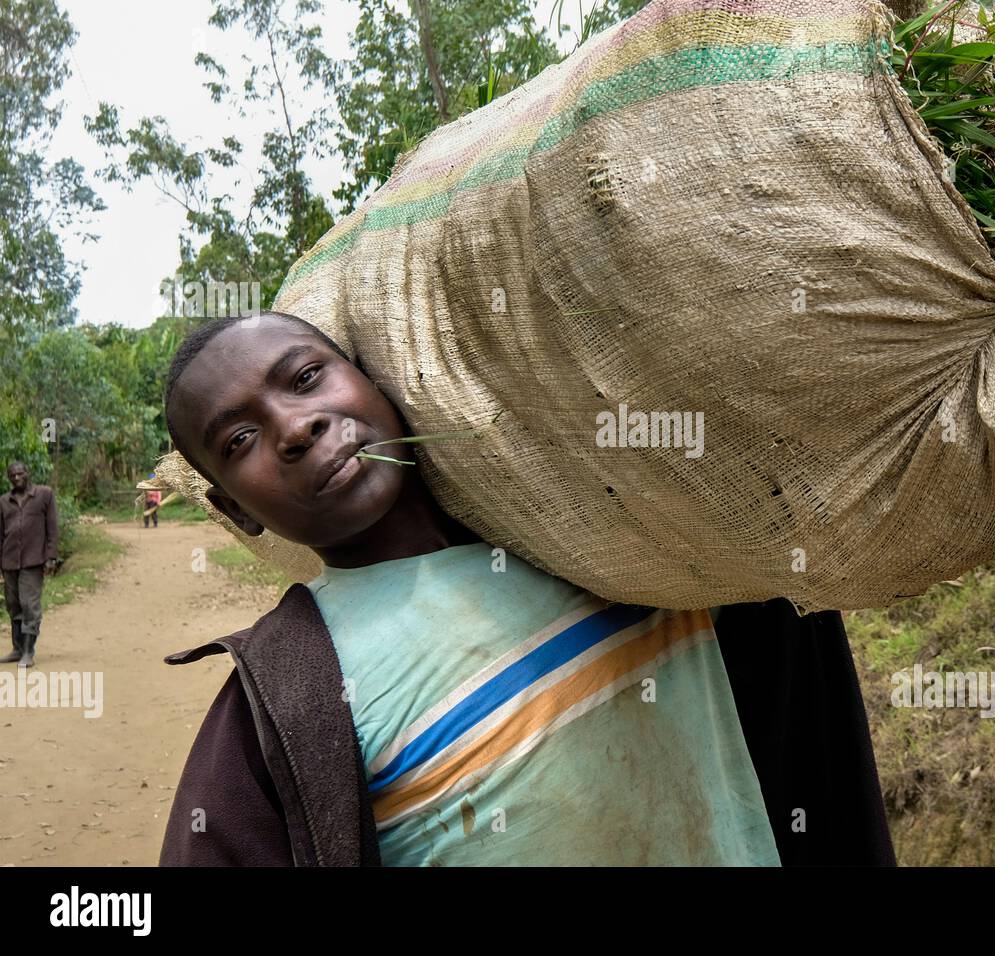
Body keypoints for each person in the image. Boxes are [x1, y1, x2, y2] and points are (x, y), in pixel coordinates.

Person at [159, 312, 895, 866]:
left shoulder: (622, 533)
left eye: (307, 377)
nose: (295, 426)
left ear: (374, 376)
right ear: (232, 508)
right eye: (239, 441)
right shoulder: (290, 701)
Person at [0, 462, 58, 667]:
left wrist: (51, 556)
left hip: (33, 561)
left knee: (29, 606)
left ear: (27, 473)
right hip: (9, 562)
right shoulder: (3, 502)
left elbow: (52, 527)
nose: (16, 477)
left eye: (20, 473)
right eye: (12, 475)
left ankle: (28, 651)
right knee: (13, 605)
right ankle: (17, 649)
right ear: (8, 477)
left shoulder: (44, 494)